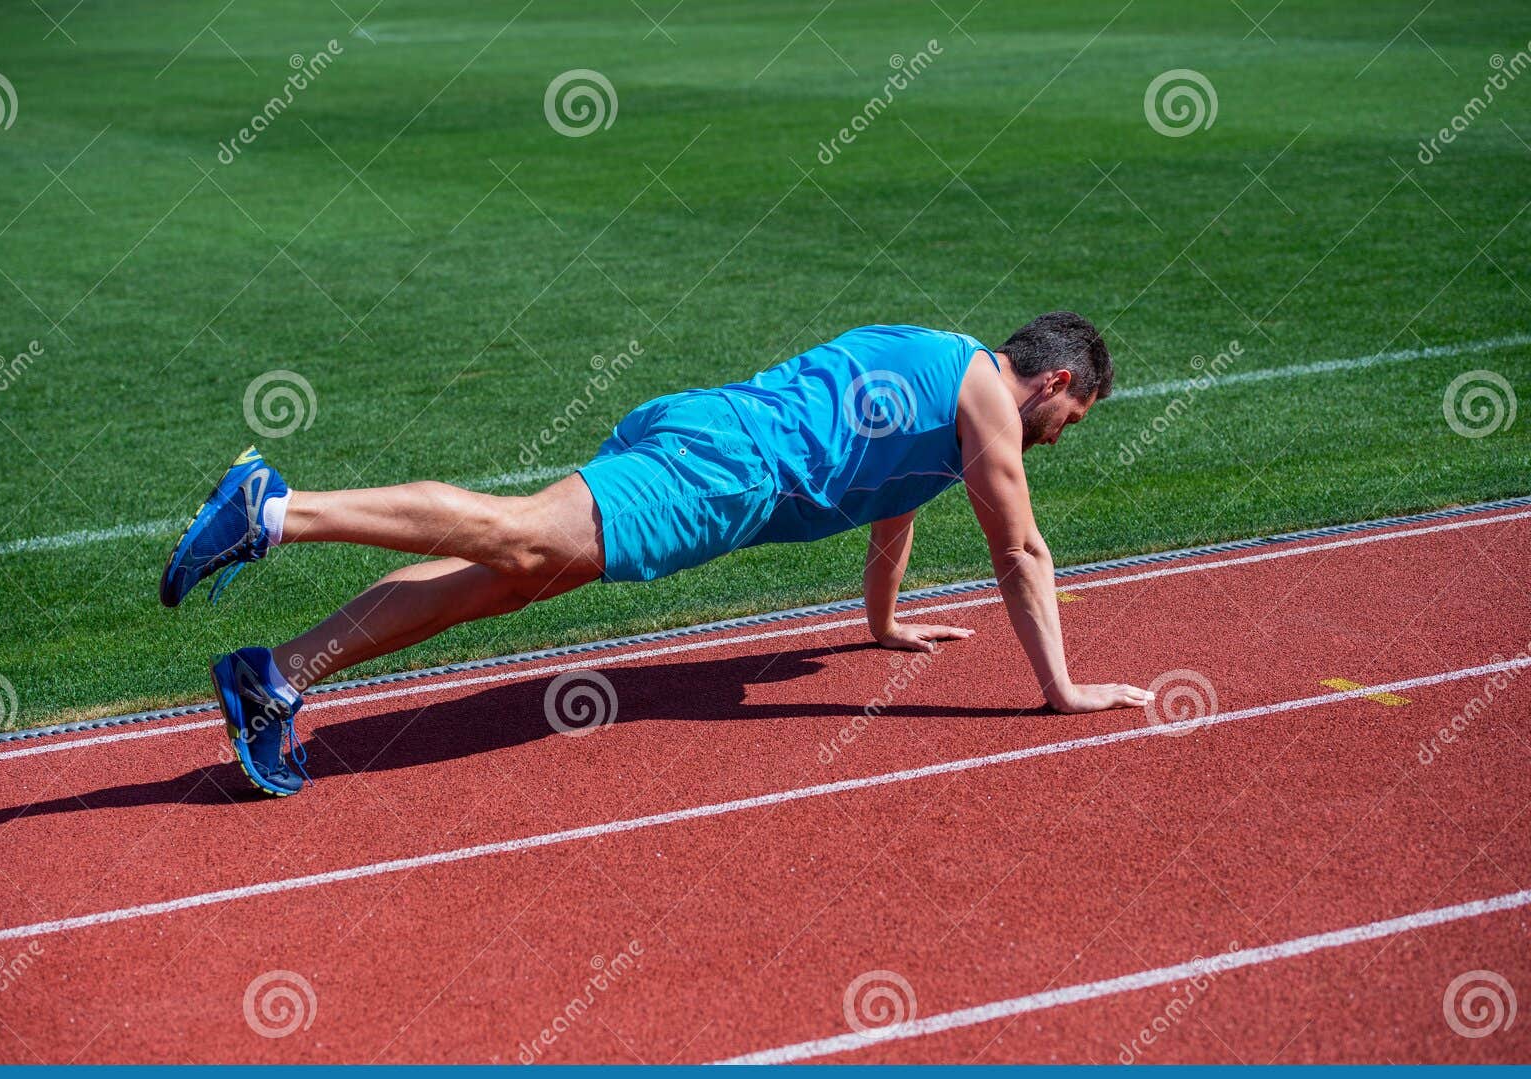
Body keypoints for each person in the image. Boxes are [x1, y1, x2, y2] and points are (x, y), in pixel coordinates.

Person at [160, 311, 1153, 796]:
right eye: (1071, 414)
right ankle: (278, 511)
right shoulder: (987, 403)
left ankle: (274, 679)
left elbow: (890, 508)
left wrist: (883, 625)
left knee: (503, 582)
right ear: (1054, 377)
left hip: (701, 429)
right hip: (732, 474)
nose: (1060, 434)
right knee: (517, 532)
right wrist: (1062, 689)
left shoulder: (941, 368)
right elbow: (1020, 548)